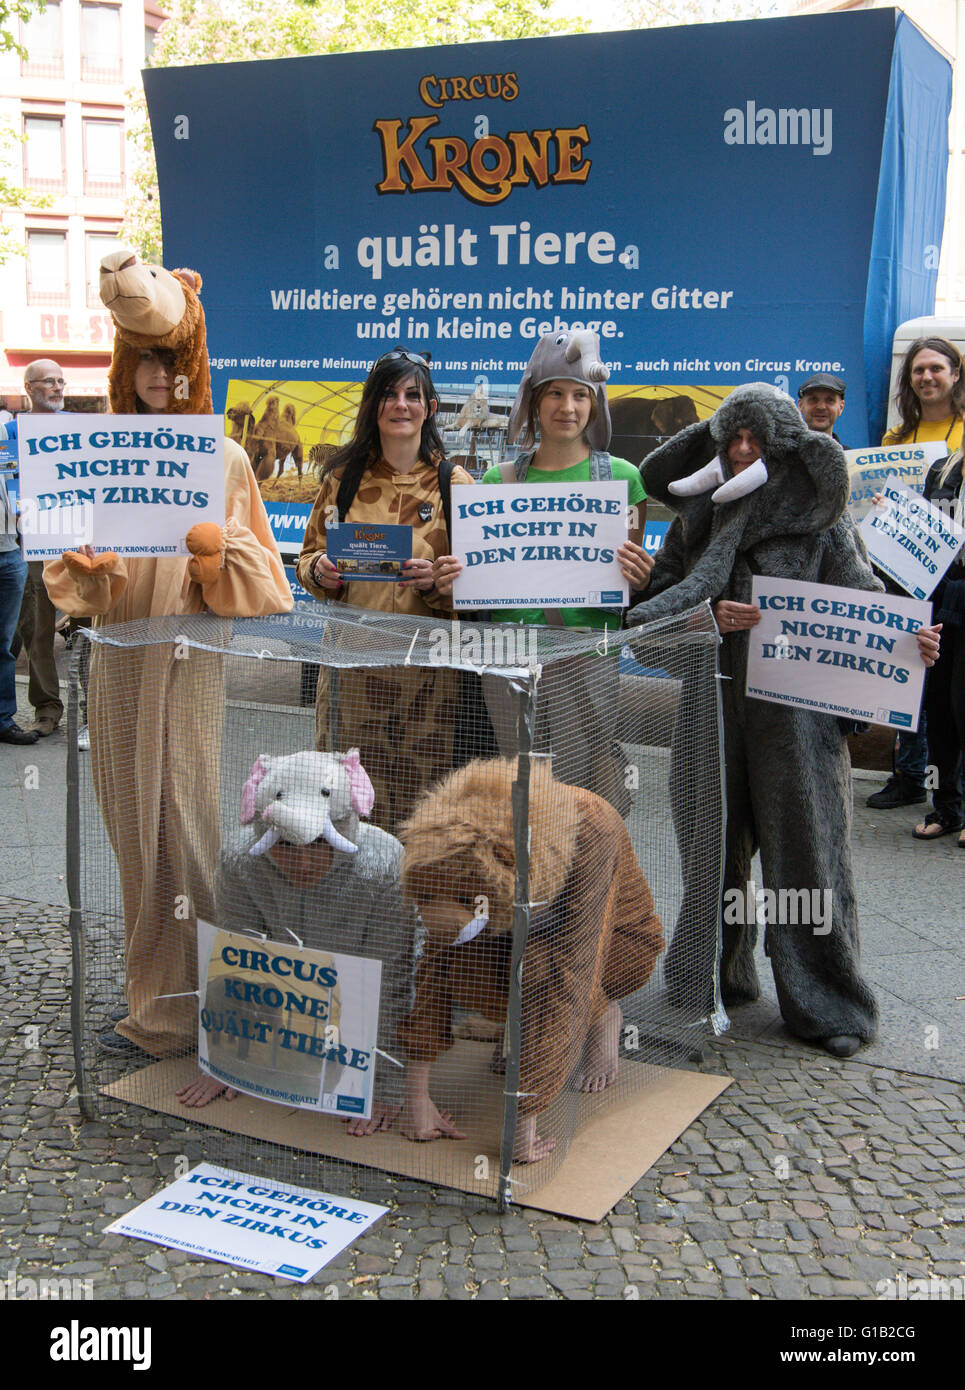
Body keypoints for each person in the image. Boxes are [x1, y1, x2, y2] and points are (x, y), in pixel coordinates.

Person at [628, 383, 940, 1058]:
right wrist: (701, 621)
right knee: (709, 855)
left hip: (799, 726)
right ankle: (713, 976)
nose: (742, 449)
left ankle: (828, 1003)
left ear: (782, 446)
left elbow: (864, 605)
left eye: (755, 438)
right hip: (708, 716)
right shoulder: (694, 524)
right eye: (731, 437)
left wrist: (907, 645)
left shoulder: (824, 526)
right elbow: (643, 631)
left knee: (808, 863)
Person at [43, 248, 292, 1060]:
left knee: (182, 828)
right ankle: (155, 1001)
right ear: (128, 367)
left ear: (190, 368)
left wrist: (219, 558)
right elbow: (70, 581)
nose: (158, 378)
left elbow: (267, 586)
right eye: (144, 363)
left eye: (170, 363)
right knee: (131, 833)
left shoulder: (223, 459)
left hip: (187, 667)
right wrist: (84, 574)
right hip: (119, 667)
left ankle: (198, 1010)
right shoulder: (98, 452)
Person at [433, 331, 653, 808]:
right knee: (522, 792)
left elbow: (628, 587)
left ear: (596, 405)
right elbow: (475, 586)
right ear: (533, 401)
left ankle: (582, 884)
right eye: (554, 392)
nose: (567, 407)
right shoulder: (500, 479)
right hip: (508, 654)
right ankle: (527, 882)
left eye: (580, 394)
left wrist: (640, 575)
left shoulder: (622, 478)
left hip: (587, 659)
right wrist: (454, 579)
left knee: (581, 795)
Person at [295, 349, 473, 829]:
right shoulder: (342, 478)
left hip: (429, 685)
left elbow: (479, 588)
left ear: (430, 407)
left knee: (422, 812)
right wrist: (321, 573)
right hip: (353, 675)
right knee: (347, 803)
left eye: (413, 395)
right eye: (390, 394)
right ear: (374, 405)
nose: (401, 404)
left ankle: (415, 903)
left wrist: (438, 586)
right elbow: (307, 558)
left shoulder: (453, 484)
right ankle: (351, 904)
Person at [869, 339, 964, 809]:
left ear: (955, 373)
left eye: (935, 369)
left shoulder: (964, 431)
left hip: (952, 576)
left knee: (948, 688)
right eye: (918, 371)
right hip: (903, 570)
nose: (926, 378)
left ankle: (947, 792)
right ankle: (908, 775)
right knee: (906, 673)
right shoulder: (895, 438)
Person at [0, 359, 68, 738]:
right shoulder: (8, 434)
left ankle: (95, 712)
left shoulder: (81, 428)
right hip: (34, 543)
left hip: (82, 541)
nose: (57, 387)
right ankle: (47, 709)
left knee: (90, 630)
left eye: (61, 381)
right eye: (48, 382)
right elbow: (9, 486)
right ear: (29, 388)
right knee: (36, 630)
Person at [911, 448, 964, 843]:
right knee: (939, 708)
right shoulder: (942, 470)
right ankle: (946, 809)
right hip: (944, 597)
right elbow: (923, 533)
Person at [798, 372, 846, 441]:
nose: (821, 407)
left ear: (841, 407)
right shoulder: (784, 451)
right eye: (813, 399)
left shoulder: (851, 452)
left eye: (830, 400)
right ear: (801, 405)